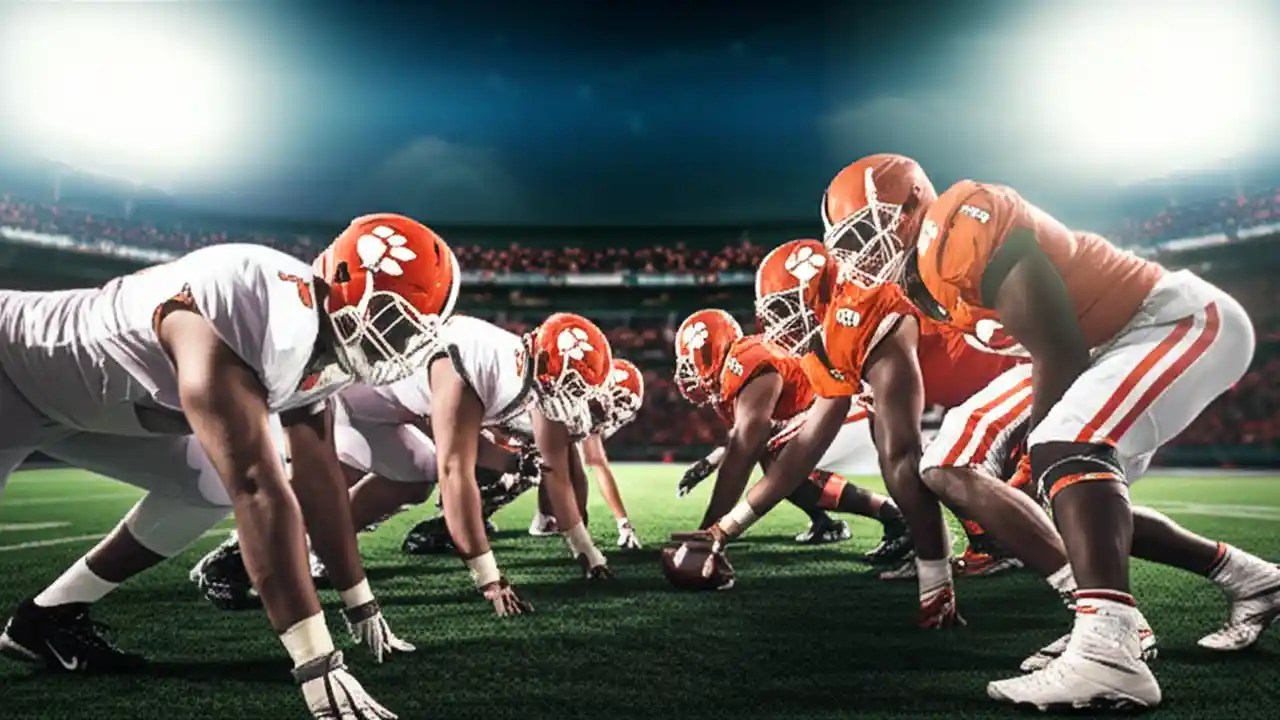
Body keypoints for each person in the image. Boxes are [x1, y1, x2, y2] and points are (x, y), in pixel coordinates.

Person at [0, 213, 459, 719]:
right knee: (241, 478)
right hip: (11, 373)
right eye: (393, 322)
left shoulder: (325, 341)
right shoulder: (251, 305)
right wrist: (316, 664)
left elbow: (319, 479)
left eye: (411, 333)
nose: (396, 344)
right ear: (347, 281)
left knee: (207, 485)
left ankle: (48, 617)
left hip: (91, 405)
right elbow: (258, 488)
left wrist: (360, 602)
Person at [671, 307, 910, 561]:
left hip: (849, 413)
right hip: (831, 415)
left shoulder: (746, 362)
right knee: (776, 456)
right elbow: (754, 436)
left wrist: (709, 529)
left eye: (690, 363)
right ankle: (828, 522)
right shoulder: (738, 369)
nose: (688, 373)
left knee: (779, 462)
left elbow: (745, 449)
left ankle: (895, 514)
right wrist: (710, 462)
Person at [530, 358, 646, 549]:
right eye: (617, 400)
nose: (618, 410)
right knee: (515, 477)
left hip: (536, 447)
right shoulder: (573, 401)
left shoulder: (589, 408)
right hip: (511, 443)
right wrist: (623, 523)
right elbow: (596, 460)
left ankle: (546, 516)